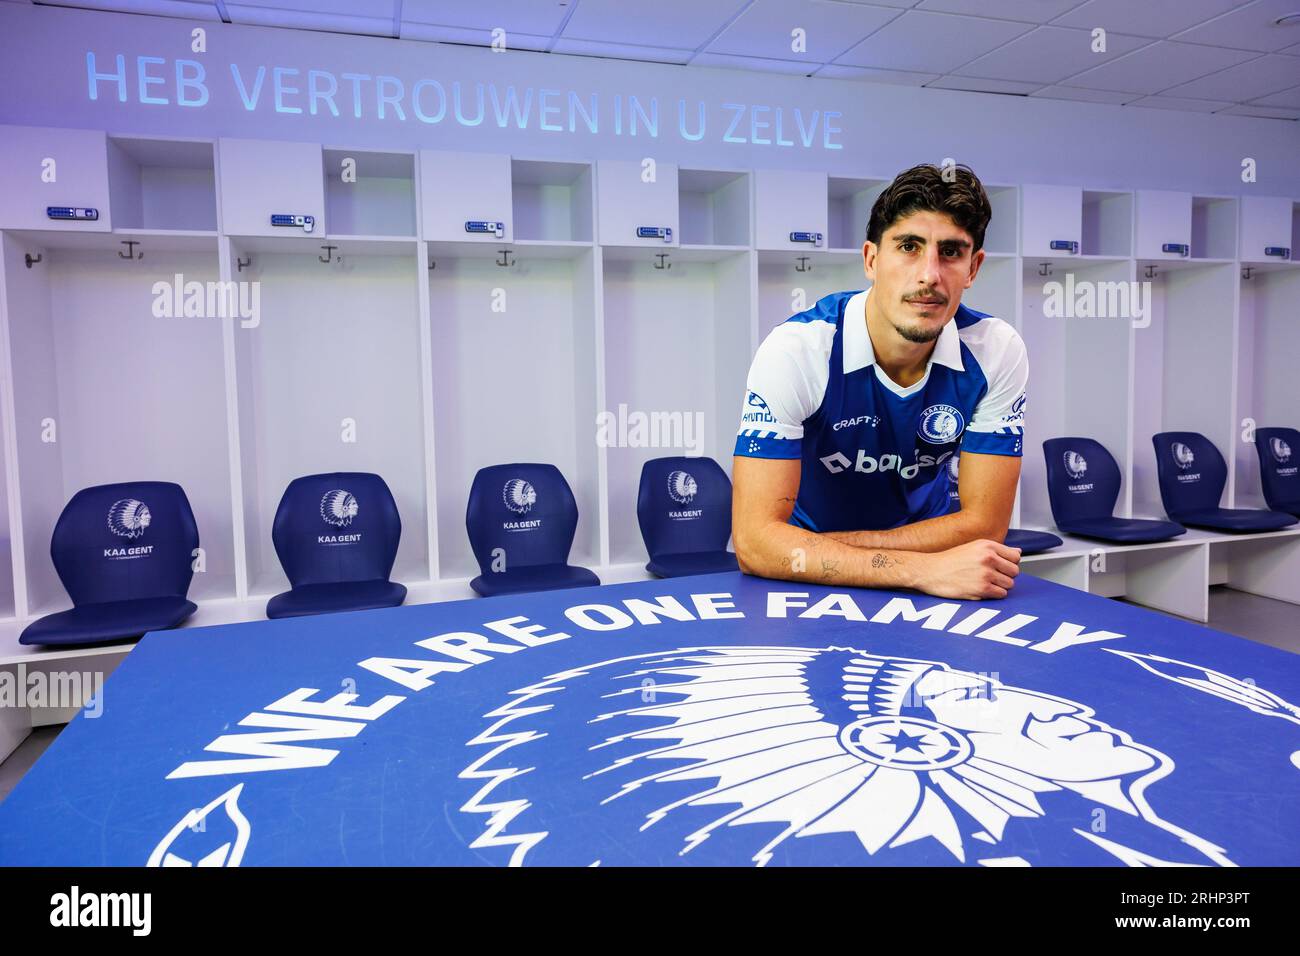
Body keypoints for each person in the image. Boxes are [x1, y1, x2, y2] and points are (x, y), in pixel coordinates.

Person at [732, 163, 1026, 600]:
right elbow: (755, 544)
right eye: (909, 246)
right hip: (810, 579)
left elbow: (985, 524)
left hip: (930, 569)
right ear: (872, 259)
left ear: (973, 267)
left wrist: (801, 547)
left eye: (950, 252)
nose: (929, 275)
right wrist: (918, 568)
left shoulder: (995, 349)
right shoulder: (799, 349)